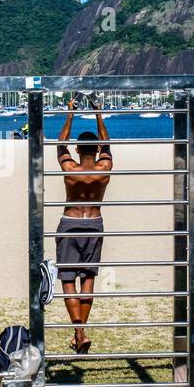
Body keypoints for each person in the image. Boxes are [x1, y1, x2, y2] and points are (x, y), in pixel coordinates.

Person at [54, 95, 112, 354]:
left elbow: (60, 144)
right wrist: (98, 112)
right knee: (88, 278)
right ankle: (80, 335)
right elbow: (107, 143)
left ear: (78, 150)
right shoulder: (105, 167)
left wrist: (70, 113)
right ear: (97, 149)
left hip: (71, 223)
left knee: (68, 281)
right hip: (95, 224)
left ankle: (79, 332)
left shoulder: (70, 168)